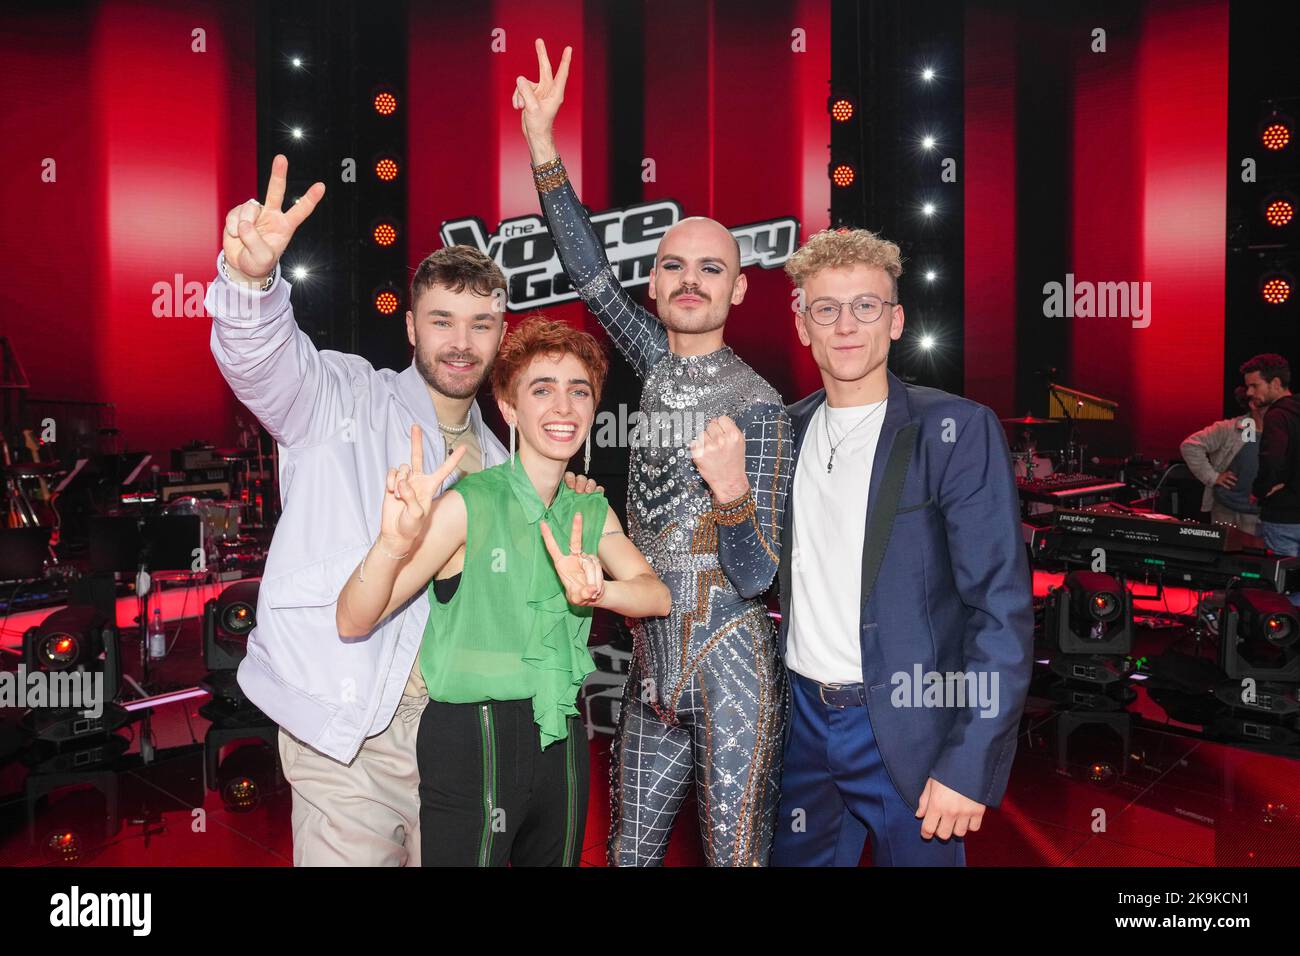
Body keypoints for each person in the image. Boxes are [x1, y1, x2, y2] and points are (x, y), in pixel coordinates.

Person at [206, 155, 602, 866]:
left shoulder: (507, 466)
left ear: (499, 333)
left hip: (459, 736)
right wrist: (249, 283)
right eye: (442, 320)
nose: (460, 342)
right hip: (350, 723)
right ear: (412, 326)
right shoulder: (343, 398)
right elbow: (262, 361)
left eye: (480, 324)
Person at [514, 40, 794, 866]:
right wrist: (542, 147)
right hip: (648, 673)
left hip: (734, 671)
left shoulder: (760, 406)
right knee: (626, 853)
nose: (690, 279)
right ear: (657, 282)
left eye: (712, 268)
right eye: (674, 265)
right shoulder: (654, 358)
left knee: (733, 858)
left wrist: (735, 492)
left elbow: (759, 578)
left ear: (739, 289)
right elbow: (590, 274)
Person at [337, 317, 671, 866]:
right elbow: (352, 619)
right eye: (542, 389)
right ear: (510, 409)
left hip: (562, 734)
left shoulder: (589, 507)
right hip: (474, 739)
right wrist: (392, 544)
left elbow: (654, 595)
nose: (564, 406)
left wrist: (599, 592)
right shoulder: (469, 503)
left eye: (579, 390)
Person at [771, 227, 1033, 866]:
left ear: (896, 320)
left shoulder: (955, 431)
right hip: (801, 725)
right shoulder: (782, 431)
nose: (846, 325)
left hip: (910, 730)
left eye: (867, 306)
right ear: (802, 324)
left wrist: (971, 760)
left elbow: (999, 610)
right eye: (826, 309)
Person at [1179, 386, 1262, 535]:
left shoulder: (1281, 431)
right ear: (1253, 403)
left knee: (1257, 555)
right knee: (1226, 555)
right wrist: (1212, 477)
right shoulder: (1230, 428)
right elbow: (1190, 446)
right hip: (1226, 508)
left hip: (1262, 513)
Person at [1243, 353, 1300, 555]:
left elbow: (1272, 459)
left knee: (1283, 581)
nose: (1249, 392)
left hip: (1283, 517)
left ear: (1275, 383)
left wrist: (1259, 490)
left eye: (1255, 385)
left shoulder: (1277, 415)